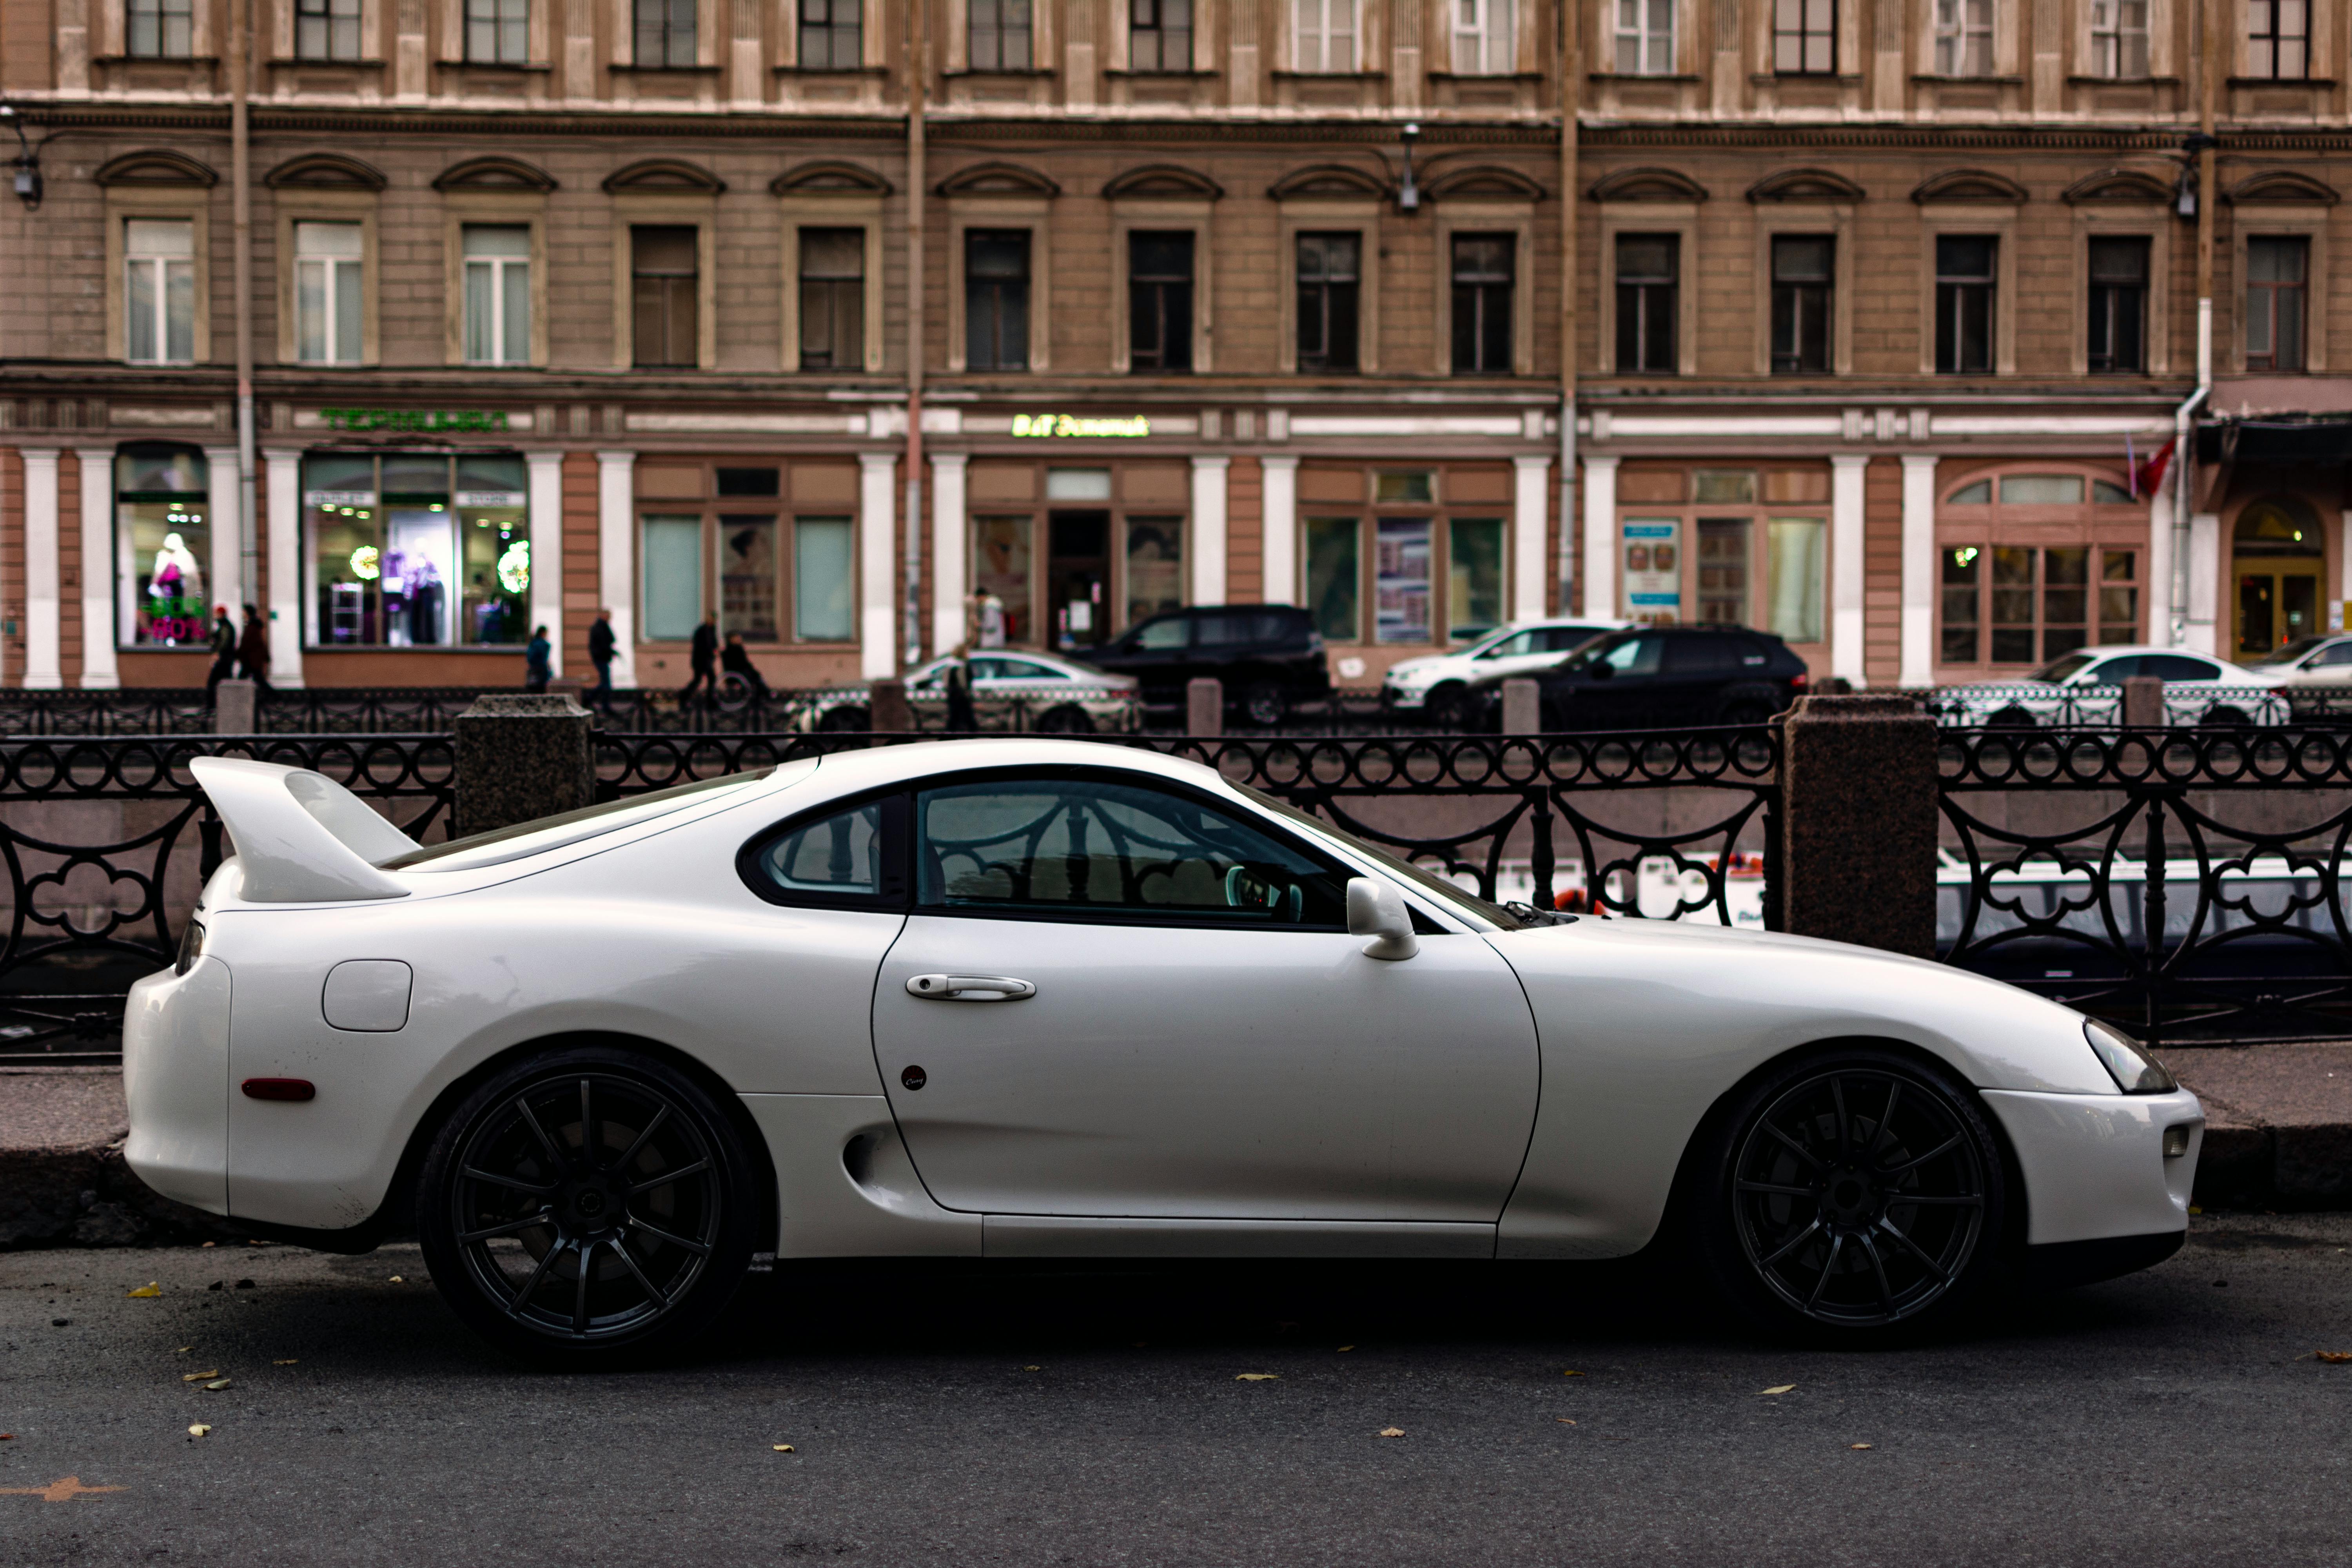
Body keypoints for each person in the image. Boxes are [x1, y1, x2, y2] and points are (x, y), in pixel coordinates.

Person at [680, 612, 720, 704]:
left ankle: (709, 700)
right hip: (701, 660)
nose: (711, 620)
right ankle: (685, 696)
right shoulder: (702, 630)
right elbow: (703, 645)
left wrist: (714, 651)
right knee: (702, 679)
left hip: (707, 660)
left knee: (707, 679)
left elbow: (714, 643)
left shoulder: (712, 630)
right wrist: (711, 651)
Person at [720, 632, 770, 699]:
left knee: (756, 677)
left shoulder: (737, 649)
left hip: (740, 672)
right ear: (732, 640)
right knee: (754, 678)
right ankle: (764, 694)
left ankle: (764, 693)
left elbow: (745, 663)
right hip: (737, 673)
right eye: (737, 638)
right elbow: (741, 664)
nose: (740, 639)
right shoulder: (732, 651)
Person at [236, 603, 271, 692]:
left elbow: (248, 644)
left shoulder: (252, 627)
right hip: (252, 660)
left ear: (248, 613)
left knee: (247, 680)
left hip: (252, 661)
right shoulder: (252, 626)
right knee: (257, 681)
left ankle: (277, 699)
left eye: (244, 612)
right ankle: (275, 699)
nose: (242, 614)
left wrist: (238, 654)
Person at [204, 605, 238, 698]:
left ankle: (212, 705)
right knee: (224, 681)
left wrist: (217, 653)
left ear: (221, 614)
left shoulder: (225, 626)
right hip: (226, 659)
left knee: (213, 682)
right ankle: (221, 703)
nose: (215, 615)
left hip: (224, 659)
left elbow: (224, 642)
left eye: (216, 613)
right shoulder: (223, 625)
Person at [587, 607, 617, 711]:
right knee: (606, 684)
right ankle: (593, 700)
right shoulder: (600, 627)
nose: (610, 618)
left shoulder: (602, 626)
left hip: (601, 657)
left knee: (605, 682)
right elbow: (604, 643)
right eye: (608, 616)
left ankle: (594, 701)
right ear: (603, 616)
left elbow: (608, 641)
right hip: (601, 658)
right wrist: (611, 652)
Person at [524, 624, 552, 693]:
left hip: (533, 669)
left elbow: (530, 657)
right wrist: (549, 670)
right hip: (541, 669)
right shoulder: (544, 644)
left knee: (533, 689)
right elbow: (545, 658)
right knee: (541, 690)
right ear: (543, 633)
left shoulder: (533, 643)